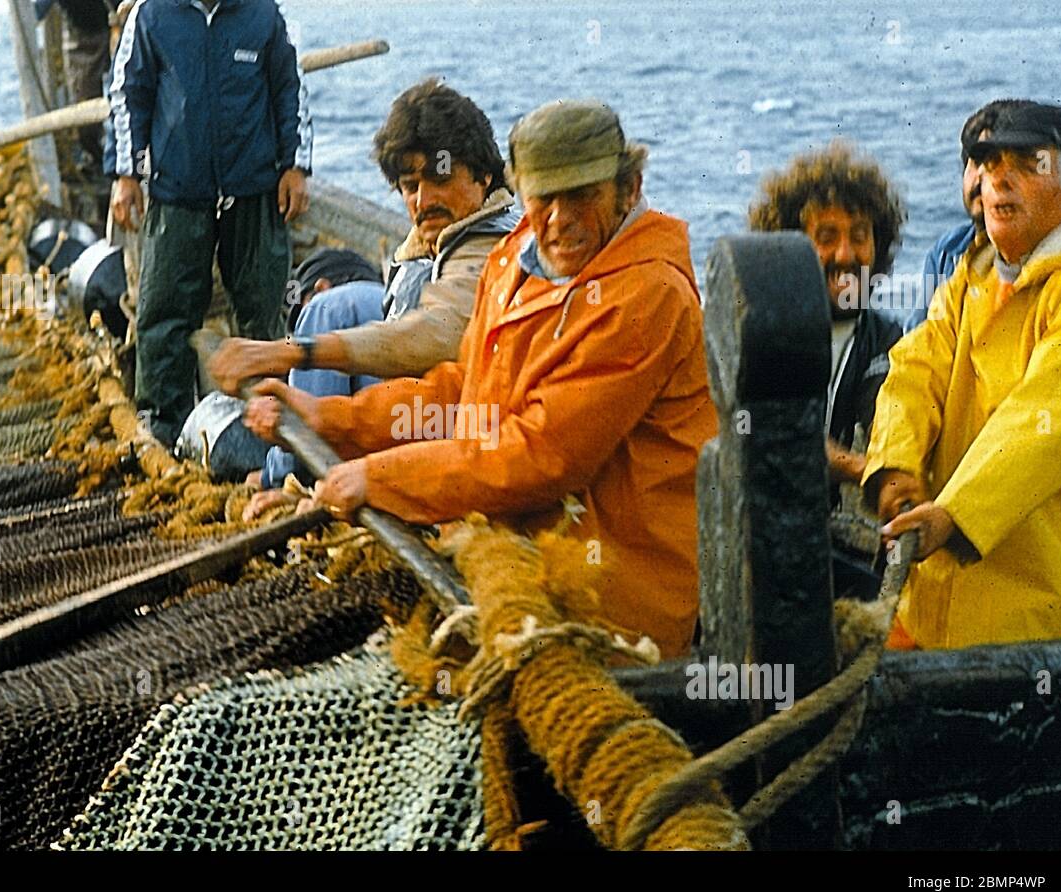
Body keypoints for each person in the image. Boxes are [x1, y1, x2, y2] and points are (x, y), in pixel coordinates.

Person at [245, 100, 718, 656]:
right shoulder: (513, 261)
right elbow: (460, 392)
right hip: (505, 561)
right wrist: (327, 418)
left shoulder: (647, 296)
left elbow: (543, 455)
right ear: (522, 194)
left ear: (629, 188)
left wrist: (381, 478)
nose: (560, 221)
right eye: (544, 199)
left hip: (608, 612)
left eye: (582, 196)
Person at [864, 101, 1061, 650]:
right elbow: (913, 372)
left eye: (1026, 165)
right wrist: (894, 467)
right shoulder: (971, 279)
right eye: (989, 166)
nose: (999, 180)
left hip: (1040, 625)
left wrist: (952, 515)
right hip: (932, 609)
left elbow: (1045, 424)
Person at [207, 77, 518, 396]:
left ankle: (302, 438)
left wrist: (292, 352)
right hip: (416, 387)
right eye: (410, 187)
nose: (423, 201)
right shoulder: (439, 235)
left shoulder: (488, 245)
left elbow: (439, 332)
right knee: (335, 308)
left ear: (484, 176)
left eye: (440, 179)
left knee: (329, 318)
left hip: (450, 416)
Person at [107, 0, 311, 448]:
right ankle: (163, 428)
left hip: (254, 190)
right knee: (163, 315)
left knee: (263, 309)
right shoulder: (152, 14)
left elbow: (289, 89)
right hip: (176, 190)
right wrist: (127, 174)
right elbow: (128, 94)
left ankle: (270, 432)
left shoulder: (264, 14)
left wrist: (296, 166)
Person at [749, 141, 905, 491]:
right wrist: (861, 470)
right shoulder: (760, 326)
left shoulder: (881, 336)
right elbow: (779, 432)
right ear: (789, 243)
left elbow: (887, 412)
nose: (845, 254)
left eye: (860, 235)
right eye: (827, 237)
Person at [255, 249, 384, 497]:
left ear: (321, 287)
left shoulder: (326, 305)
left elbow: (309, 435)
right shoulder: (399, 303)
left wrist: (268, 475)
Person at [904, 99, 1035, 331]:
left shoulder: (1047, 254)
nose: (981, 178)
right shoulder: (946, 252)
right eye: (975, 162)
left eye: (996, 162)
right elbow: (918, 337)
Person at [35, 0, 115, 166]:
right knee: (85, 109)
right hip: (80, 41)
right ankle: (97, 159)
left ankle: (106, 158)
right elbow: (37, 12)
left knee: (123, 98)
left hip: (109, 33)